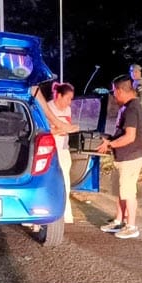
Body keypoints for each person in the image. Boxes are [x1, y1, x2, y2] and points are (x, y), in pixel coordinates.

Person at [96, 74, 142, 239]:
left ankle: (131, 226)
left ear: (119, 90)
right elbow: (122, 134)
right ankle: (119, 221)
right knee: (121, 191)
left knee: (128, 192)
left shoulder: (132, 108)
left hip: (130, 158)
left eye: (114, 92)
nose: (113, 95)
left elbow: (130, 137)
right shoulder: (129, 106)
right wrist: (109, 139)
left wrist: (109, 144)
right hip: (123, 157)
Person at [48, 82, 77, 224]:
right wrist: (63, 129)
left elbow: (68, 127)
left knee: (65, 182)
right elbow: (47, 130)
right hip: (50, 150)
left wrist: (65, 129)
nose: (69, 102)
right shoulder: (48, 108)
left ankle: (66, 214)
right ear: (59, 95)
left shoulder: (68, 110)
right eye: (68, 98)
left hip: (64, 150)